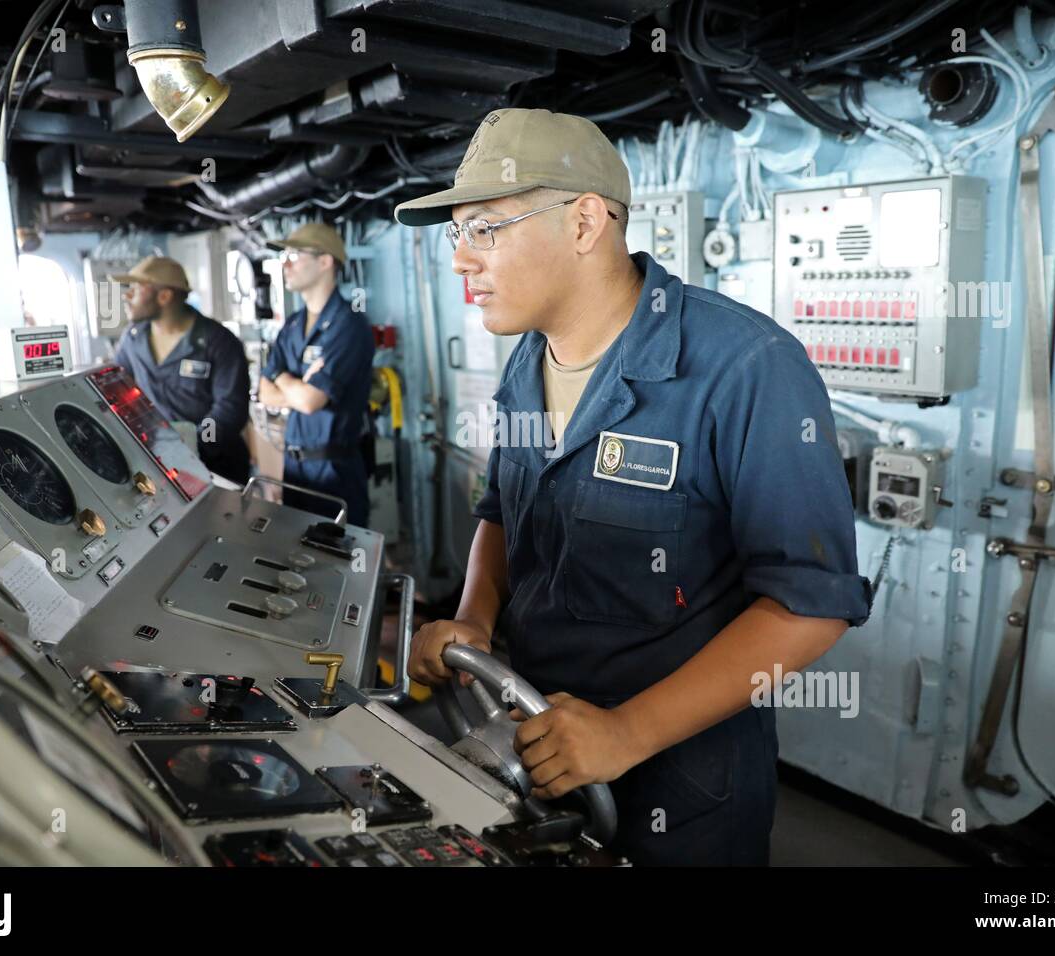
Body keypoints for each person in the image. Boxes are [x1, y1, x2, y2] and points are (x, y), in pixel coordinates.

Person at [395, 108, 872, 866]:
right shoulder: (530, 357)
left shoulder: (747, 369)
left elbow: (810, 606)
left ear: (585, 222)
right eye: (458, 233)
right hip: (531, 741)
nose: (461, 259)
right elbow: (501, 511)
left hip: (681, 788)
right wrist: (474, 619)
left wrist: (627, 734)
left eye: (485, 228)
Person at [258, 223, 374, 527]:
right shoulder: (293, 325)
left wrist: (279, 372)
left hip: (334, 470)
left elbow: (311, 401)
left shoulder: (348, 326)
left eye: (295, 255)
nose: (285, 263)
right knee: (297, 562)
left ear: (325, 262)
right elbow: (264, 393)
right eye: (284, 255)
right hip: (294, 470)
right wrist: (294, 382)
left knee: (338, 564)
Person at [111, 256, 251, 487]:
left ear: (164, 296)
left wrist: (198, 443)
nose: (127, 296)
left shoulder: (218, 341)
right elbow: (117, 391)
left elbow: (229, 409)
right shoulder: (133, 338)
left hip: (217, 466)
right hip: (160, 461)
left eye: (135, 288)